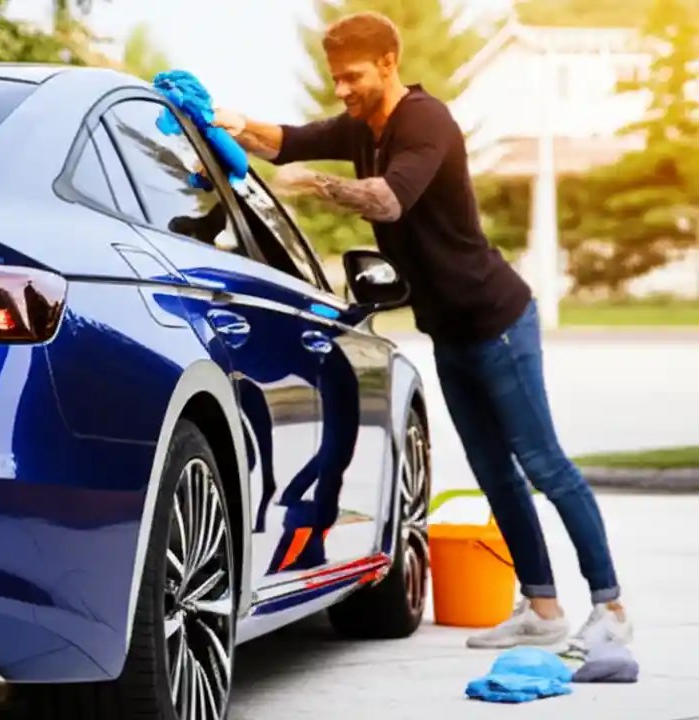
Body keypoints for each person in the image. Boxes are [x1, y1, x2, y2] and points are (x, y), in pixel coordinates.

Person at [209, 10, 632, 656]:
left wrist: (318, 186)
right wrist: (231, 124)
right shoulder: (363, 127)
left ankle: (610, 608)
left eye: (352, 77)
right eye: (335, 78)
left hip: (497, 324)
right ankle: (542, 606)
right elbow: (287, 139)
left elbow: (388, 199)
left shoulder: (423, 121)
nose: (342, 90)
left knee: (544, 464)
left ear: (387, 63)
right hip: (452, 334)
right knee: (495, 474)